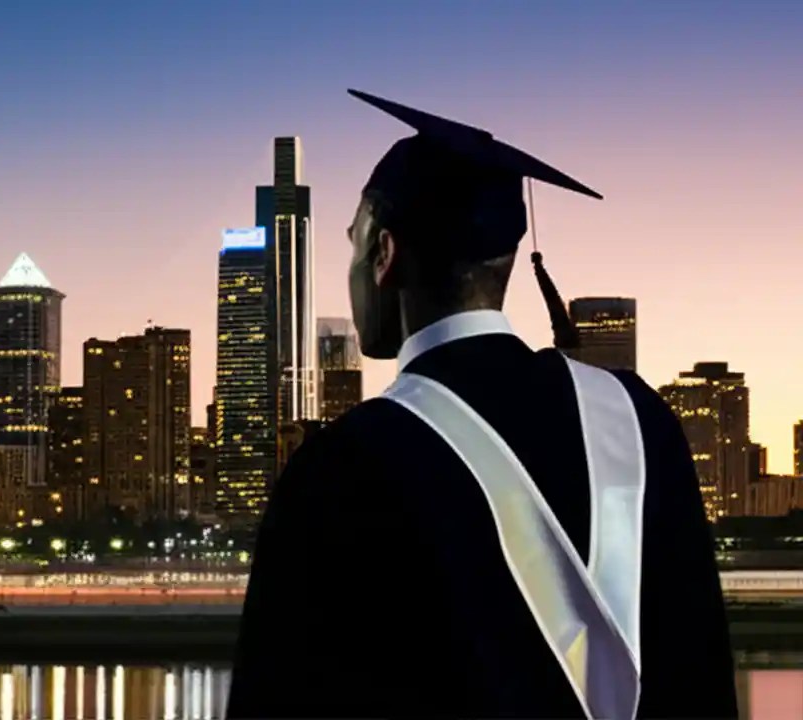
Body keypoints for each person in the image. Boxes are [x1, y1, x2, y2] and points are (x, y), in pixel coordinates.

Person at [225, 91, 737, 719]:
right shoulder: (640, 422)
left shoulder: (341, 467)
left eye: (354, 242)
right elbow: (702, 682)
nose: (352, 267)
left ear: (384, 254)